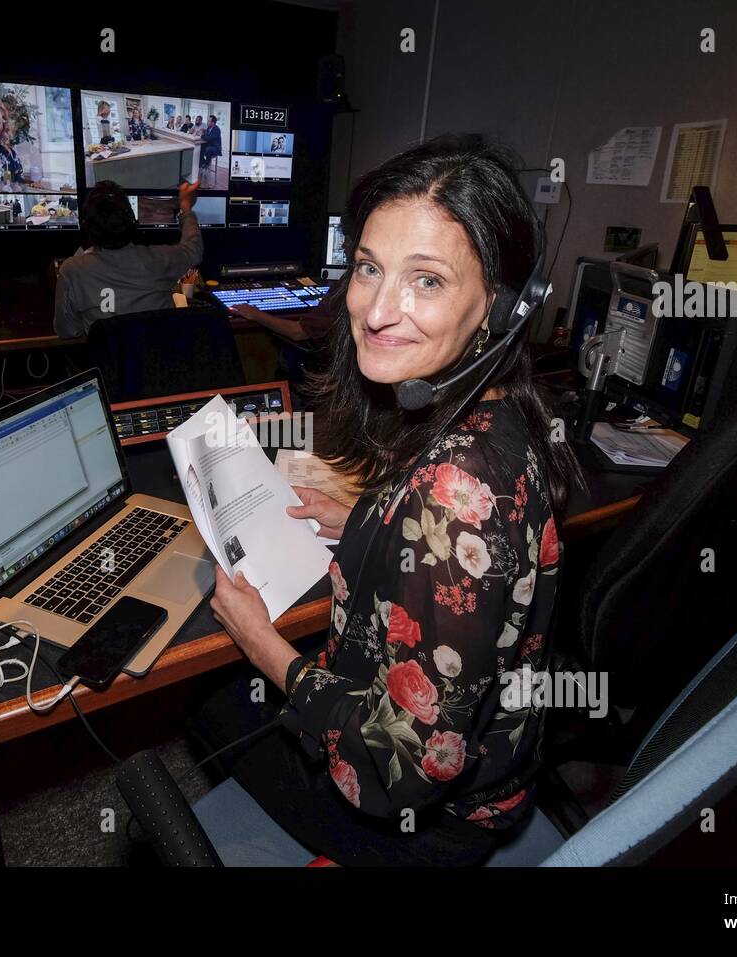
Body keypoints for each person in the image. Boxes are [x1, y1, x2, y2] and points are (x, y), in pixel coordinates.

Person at [204, 134, 585, 866]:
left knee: (213, 703)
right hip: (501, 771)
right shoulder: (499, 411)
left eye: (428, 281)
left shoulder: (454, 491)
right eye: (370, 268)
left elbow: (410, 764)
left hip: (430, 822)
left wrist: (263, 646)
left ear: (499, 308)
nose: (378, 311)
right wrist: (373, 525)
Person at [53, 179, 202, 338]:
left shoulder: (72, 271)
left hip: (107, 362)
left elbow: (67, 331)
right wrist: (186, 207)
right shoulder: (161, 259)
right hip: (159, 360)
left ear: (87, 226)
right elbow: (193, 249)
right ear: (132, 221)